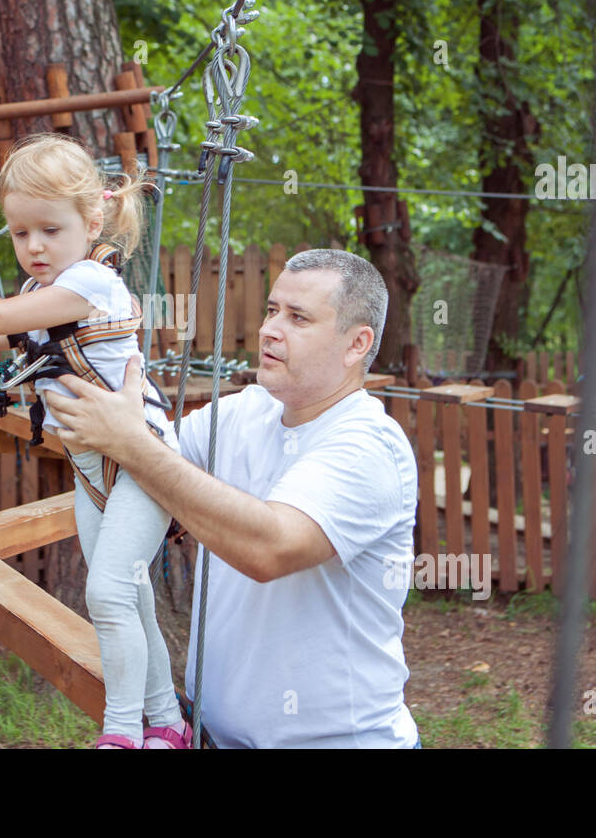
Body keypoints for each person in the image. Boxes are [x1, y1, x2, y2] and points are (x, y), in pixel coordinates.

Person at [45, 249, 422, 748]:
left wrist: (131, 442)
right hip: (216, 738)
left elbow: (269, 548)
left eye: (298, 317)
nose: (270, 329)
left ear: (357, 344)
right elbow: (145, 467)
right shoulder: (248, 411)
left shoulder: (369, 444)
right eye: (272, 310)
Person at [0, 133, 191, 749]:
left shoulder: (92, 280)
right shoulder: (43, 291)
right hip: (92, 468)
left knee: (109, 590)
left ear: (92, 223)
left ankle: (121, 732)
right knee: (130, 591)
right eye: (19, 233)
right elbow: (9, 330)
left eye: (49, 230)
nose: (33, 246)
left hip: (141, 459)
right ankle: (167, 721)